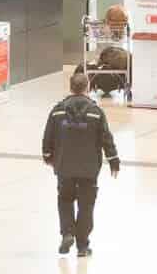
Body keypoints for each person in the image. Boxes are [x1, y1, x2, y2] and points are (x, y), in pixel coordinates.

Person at [42, 69, 120, 257]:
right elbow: (106, 138)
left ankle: (67, 233)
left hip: (64, 166)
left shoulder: (58, 110)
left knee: (65, 199)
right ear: (88, 87)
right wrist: (114, 161)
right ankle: (83, 246)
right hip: (88, 168)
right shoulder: (96, 112)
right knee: (86, 205)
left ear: (70, 87)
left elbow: (48, 136)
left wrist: (48, 156)